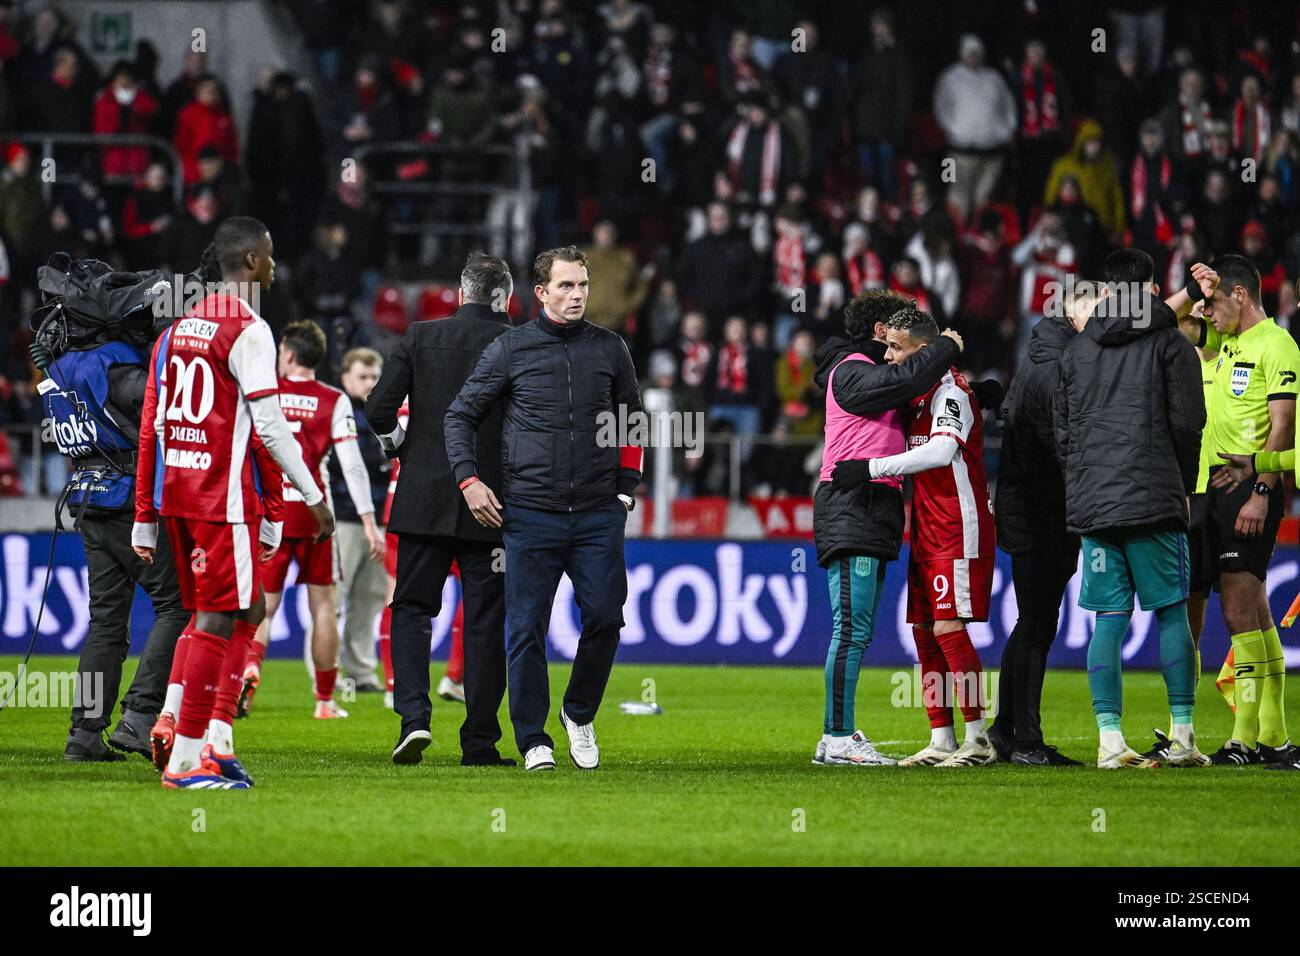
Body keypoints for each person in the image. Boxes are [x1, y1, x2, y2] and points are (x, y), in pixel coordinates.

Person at [131, 216, 333, 790]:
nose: (273, 265)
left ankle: (214, 741)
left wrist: (146, 513)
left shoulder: (178, 329)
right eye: (268, 256)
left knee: (244, 609)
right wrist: (311, 498)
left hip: (179, 494)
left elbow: (155, 425)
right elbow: (268, 426)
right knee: (222, 614)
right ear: (249, 262)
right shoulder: (248, 328)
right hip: (222, 500)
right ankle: (187, 760)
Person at [445, 246, 644, 772]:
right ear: (540, 293)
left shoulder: (610, 348)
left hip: (599, 511)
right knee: (525, 627)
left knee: (605, 617)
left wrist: (626, 489)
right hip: (530, 513)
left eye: (582, 285)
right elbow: (459, 416)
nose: (577, 295)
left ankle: (579, 713)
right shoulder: (511, 349)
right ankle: (533, 738)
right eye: (566, 286)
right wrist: (469, 480)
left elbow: (633, 420)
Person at [1054, 248, 1206, 769]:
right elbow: (1189, 423)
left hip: (1095, 505)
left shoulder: (1075, 351)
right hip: (1152, 500)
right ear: (1150, 288)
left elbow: (1063, 432)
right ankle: (1183, 736)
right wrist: (1182, 485)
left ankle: (1109, 741)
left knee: (1108, 620)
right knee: (1169, 612)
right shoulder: (1171, 342)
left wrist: (1082, 486)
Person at [367, 254, 516, 767]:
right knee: (485, 622)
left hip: (425, 498)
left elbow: (378, 408)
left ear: (461, 291)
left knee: (411, 610)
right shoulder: (520, 343)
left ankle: (414, 719)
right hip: (494, 505)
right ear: (506, 295)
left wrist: (403, 448)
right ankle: (480, 743)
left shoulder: (420, 336)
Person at [834, 308, 997, 768]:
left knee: (948, 626)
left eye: (896, 348)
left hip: (957, 522)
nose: (888, 357)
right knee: (924, 630)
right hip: (925, 525)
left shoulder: (950, 392)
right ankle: (941, 737)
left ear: (923, 351)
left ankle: (978, 737)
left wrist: (869, 469)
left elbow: (943, 450)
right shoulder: (916, 393)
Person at [811, 290, 962, 766]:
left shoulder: (868, 373)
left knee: (857, 629)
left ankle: (835, 737)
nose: (897, 351)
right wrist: (948, 345)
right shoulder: (849, 370)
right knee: (850, 628)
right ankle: (836, 738)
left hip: (873, 504)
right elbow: (907, 376)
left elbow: (913, 393)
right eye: (894, 337)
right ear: (880, 331)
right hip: (852, 501)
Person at [39, 314, 188, 763]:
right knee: (177, 603)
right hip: (128, 500)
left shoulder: (59, 366)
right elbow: (159, 422)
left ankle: (83, 734)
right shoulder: (118, 363)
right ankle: (140, 716)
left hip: (88, 499)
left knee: (105, 622)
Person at [1174, 254, 1297, 766]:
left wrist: (1262, 490)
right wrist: (1194, 286)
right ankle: (1275, 735)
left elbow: (1284, 422)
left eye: (1215, 303)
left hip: (1249, 489)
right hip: (1213, 489)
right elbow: (1171, 323)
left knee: (1239, 608)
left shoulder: (1278, 345)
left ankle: (1243, 739)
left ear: (1241, 295)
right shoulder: (1227, 343)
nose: (1207, 313)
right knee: (1254, 609)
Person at [240, 321, 378, 720]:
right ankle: (324, 701)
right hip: (315, 512)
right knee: (323, 606)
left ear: (287, 352)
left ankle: (247, 671)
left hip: (270, 511)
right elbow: (352, 466)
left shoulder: (264, 393)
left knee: (263, 608)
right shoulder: (333, 400)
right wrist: (368, 520)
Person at [988, 286, 1086, 765]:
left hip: (1029, 507)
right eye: (1096, 306)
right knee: (1037, 623)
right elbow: (1060, 448)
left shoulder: (1041, 356)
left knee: (1034, 622)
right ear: (1072, 310)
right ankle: (1026, 738)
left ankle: (1007, 729)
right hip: (1041, 511)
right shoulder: (1057, 367)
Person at [329, 347, 389, 693]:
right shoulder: (338, 412)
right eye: (363, 377)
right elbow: (339, 463)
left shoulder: (385, 411)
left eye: (374, 377)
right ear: (345, 378)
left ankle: (361, 672)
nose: (370, 383)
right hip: (346, 516)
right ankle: (330, 672)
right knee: (337, 594)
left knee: (371, 595)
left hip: (381, 518)